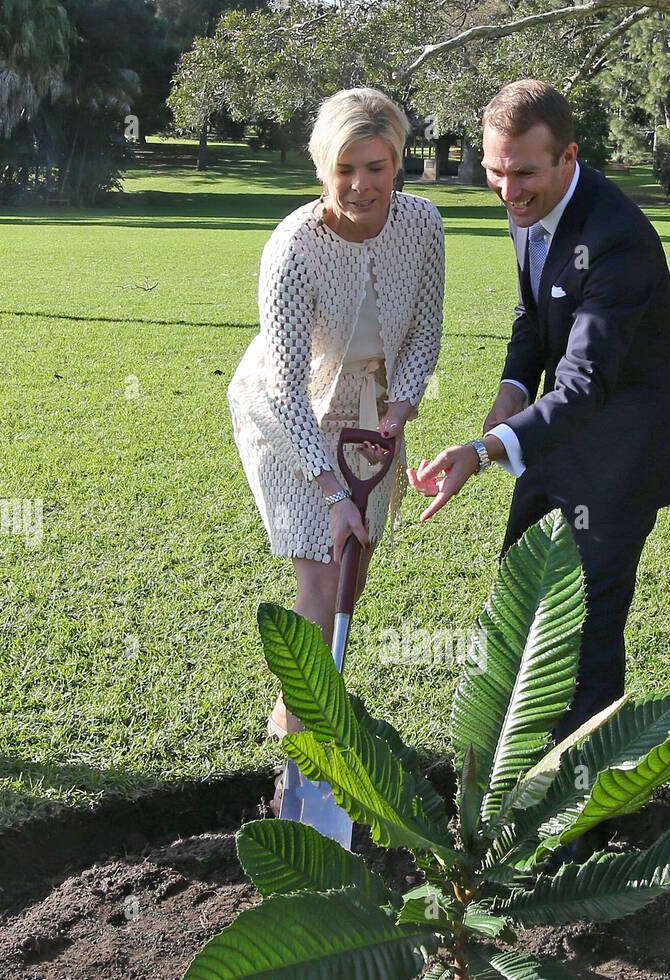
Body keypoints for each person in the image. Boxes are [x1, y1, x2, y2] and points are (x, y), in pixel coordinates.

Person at [409, 79, 670, 860]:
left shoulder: (618, 238)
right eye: (495, 172)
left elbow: (585, 383)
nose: (507, 191)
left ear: (569, 157)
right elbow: (532, 321)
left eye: (525, 174)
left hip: (622, 449)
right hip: (556, 437)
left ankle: (574, 832)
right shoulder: (531, 210)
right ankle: (508, 778)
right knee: (524, 602)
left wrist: (482, 452)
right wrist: (507, 395)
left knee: (585, 630)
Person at [227, 87, 445, 803]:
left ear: (397, 162)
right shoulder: (294, 245)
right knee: (321, 582)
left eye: (376, 167)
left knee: (353, 572)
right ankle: (304, 741)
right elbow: (285, 387)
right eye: (344, 168)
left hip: (374, 424)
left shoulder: (423, 224)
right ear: (324, 166)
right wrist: (326, 485)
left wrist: (403, 404)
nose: (361, 186)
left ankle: (309, 708)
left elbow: (424, 335)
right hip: (293, 422)